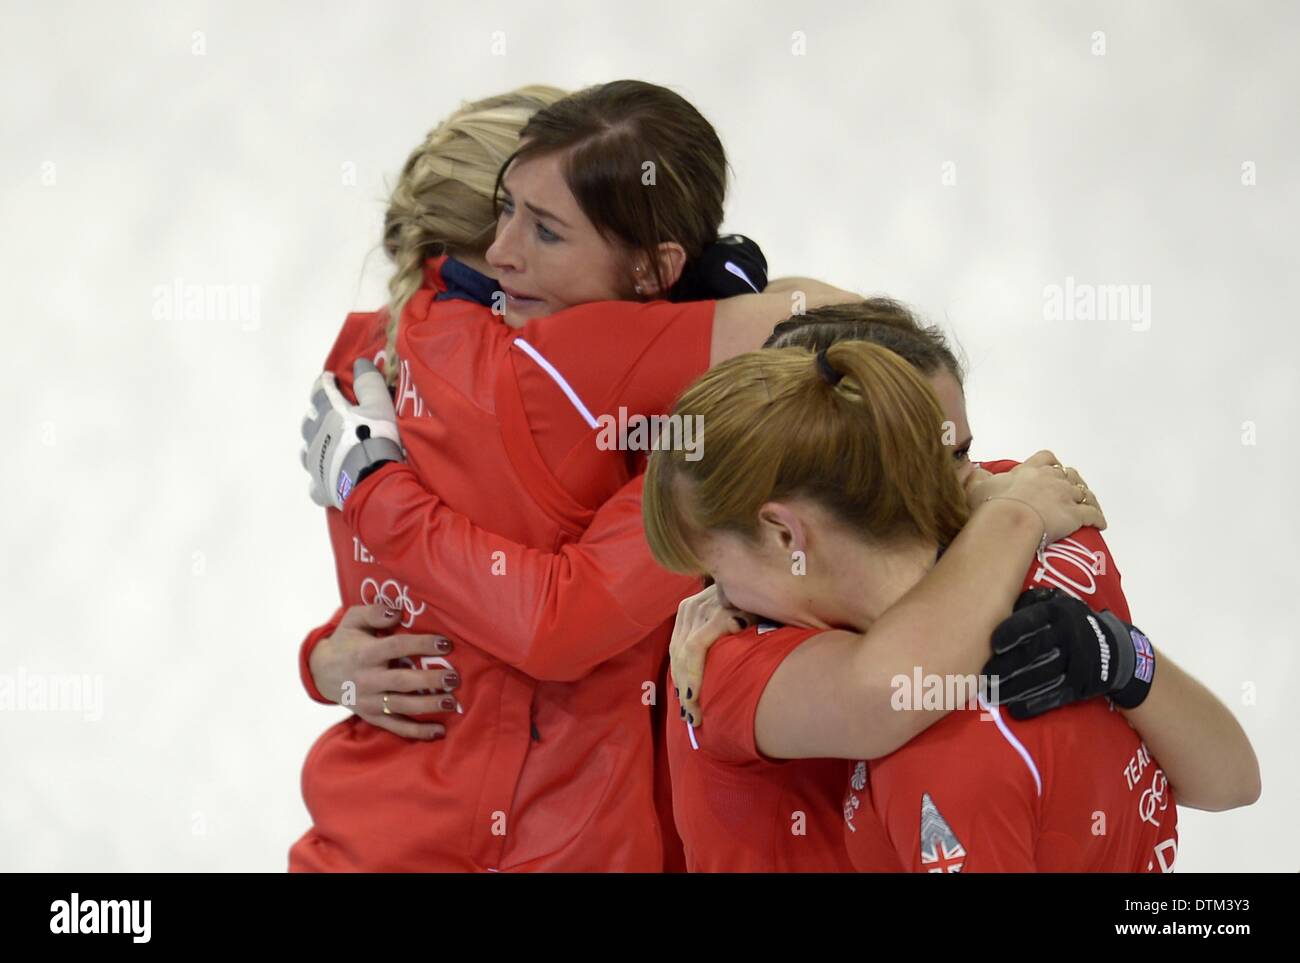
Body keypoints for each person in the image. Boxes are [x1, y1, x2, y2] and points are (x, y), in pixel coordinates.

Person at [292, 80, 868, 872]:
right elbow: (850, 318)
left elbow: (411, 607)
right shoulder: (569, 362)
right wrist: (696, 302)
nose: (508, 253)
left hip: (366, 834)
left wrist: (325, 652)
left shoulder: (367, 354)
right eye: (507, 215)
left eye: (546, 231)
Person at [642, 301, 1260, 871]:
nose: (959, 484)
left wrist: (1119, 655)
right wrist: (1012, 519)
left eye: (962, 451)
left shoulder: (1028, 521)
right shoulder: (728, 655)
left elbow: (1233, 780)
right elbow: (887, 689)